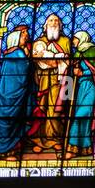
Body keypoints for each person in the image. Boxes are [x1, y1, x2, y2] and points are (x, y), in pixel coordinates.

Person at [29, 14, 71, 153]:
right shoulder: (40, 41)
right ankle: (40, 141)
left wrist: (53, 61)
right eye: (51, 21)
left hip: (62, 81)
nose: (54, 23)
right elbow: (35, 58)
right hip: (43, 80)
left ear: (60, 25)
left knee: (57, 109)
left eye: (56, 21)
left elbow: (67, 60)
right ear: (45, 25)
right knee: (42, 107)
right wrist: (49, 61)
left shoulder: (65, 41)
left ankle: (55, 139)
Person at [0, 26, 36, 157]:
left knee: (5, 118)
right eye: (24, 35)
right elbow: (25, 72)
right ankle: (8, 149)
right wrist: (30, 59)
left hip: (5, 90)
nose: (26, 37)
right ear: (17, 37)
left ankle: (4, 147)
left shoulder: (8, 53)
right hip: (16, 92)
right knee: (13, 119)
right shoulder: (19, 53)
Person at [66, 32, 95, 158]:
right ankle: (84, 147)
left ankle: (71, 149)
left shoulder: (93, 51)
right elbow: (71, 72)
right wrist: (73, 70)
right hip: (80, 88)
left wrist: (82, 73)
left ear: (81, 39)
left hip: (91, 87)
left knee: (82, 115)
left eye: (74, 39)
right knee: (81, 117)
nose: (73, 41)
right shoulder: (77, 53)